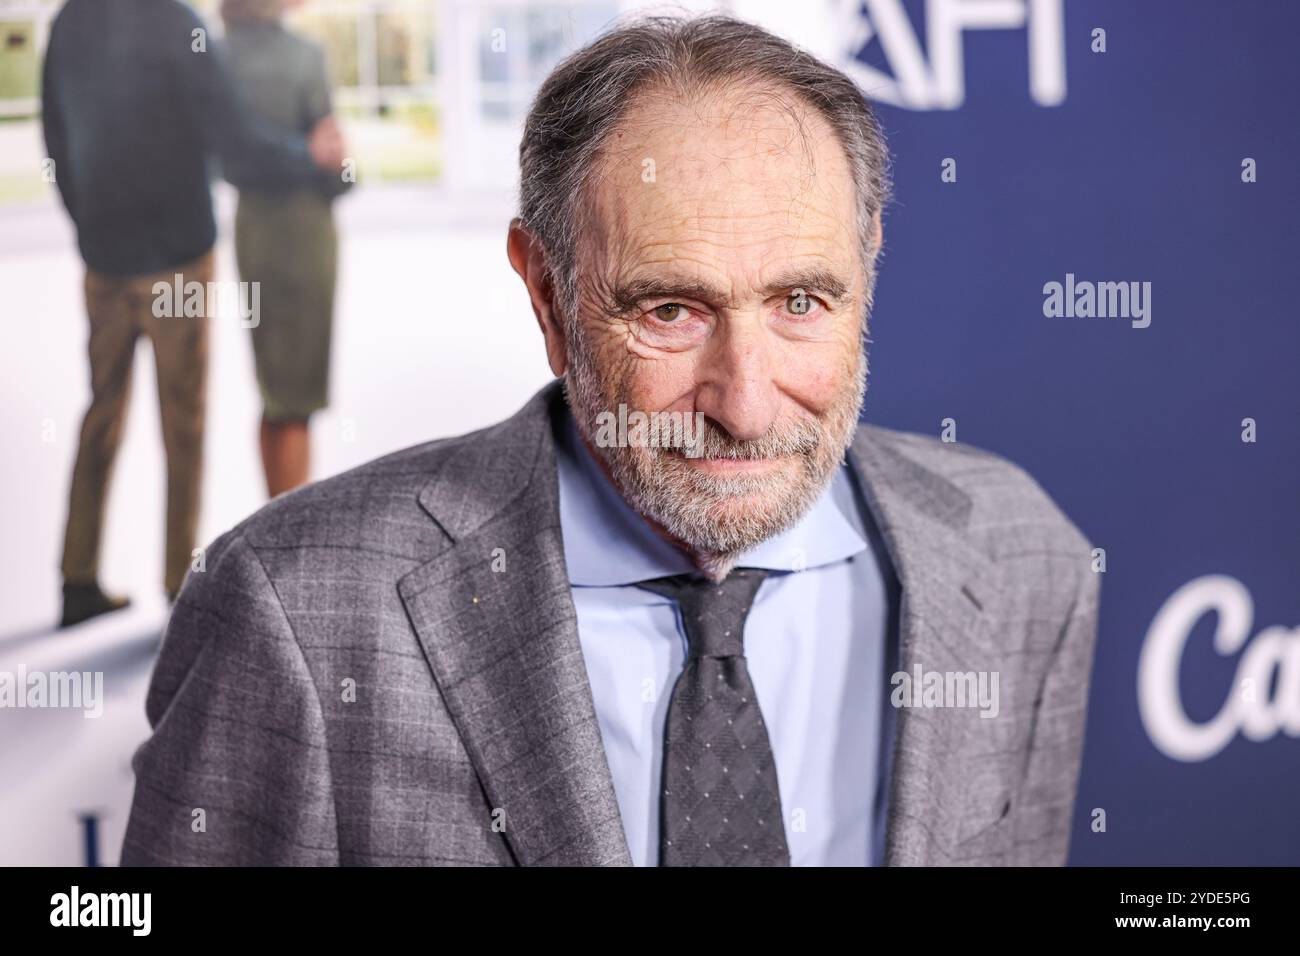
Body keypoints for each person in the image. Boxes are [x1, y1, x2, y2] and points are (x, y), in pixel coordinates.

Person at [121, 15, 1099, 867]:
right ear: (547, 292)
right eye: (671, 309)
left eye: (802, 300)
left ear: (868, 260)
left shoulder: (1020, 557)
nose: (747, 406)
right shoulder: (295, 609)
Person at [42, 0, 346, 627]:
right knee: (183, 423)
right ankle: (178, 586)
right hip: (177, 259)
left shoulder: (70, 21)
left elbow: (55, 136)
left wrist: (87, 226)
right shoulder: (179, 24)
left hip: (104, 258)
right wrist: (309, 158)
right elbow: (233, 141)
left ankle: (77, 579)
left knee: (101, 412)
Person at [223, 0, 352, 497]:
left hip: (252, 231)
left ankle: (272, 514)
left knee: (275, 395)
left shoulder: (214, 53)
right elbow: (333, 166)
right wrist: (337, 165)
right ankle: (287, 538)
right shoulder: (304, 55)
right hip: (304, 235)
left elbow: (230, 156)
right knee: (296, 401)